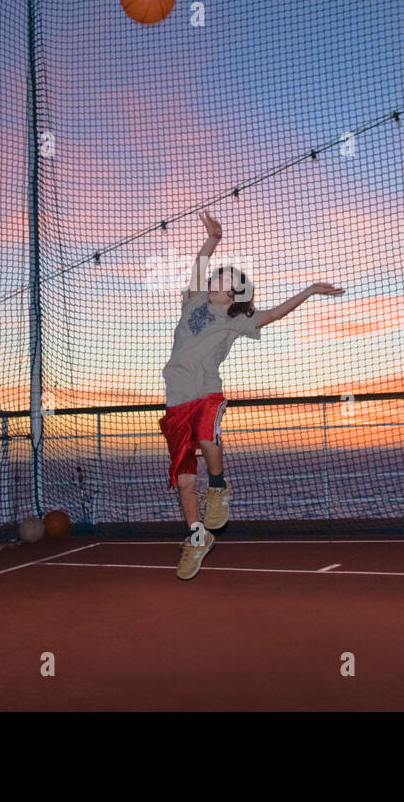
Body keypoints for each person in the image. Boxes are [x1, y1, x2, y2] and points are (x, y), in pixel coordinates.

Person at [159, 210, 344, 579]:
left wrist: (308, 291)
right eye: (215, 278)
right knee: (182, 479)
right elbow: (198, 267)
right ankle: (197, 538)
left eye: (224, 282)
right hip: (175, 399)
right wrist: (213, 240)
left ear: (235, 294)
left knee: (207, 437)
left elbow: (274, 314)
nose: (214, 283)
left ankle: (219, 486)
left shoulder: (236, 320)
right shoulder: (193, 302)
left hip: (206, 393)